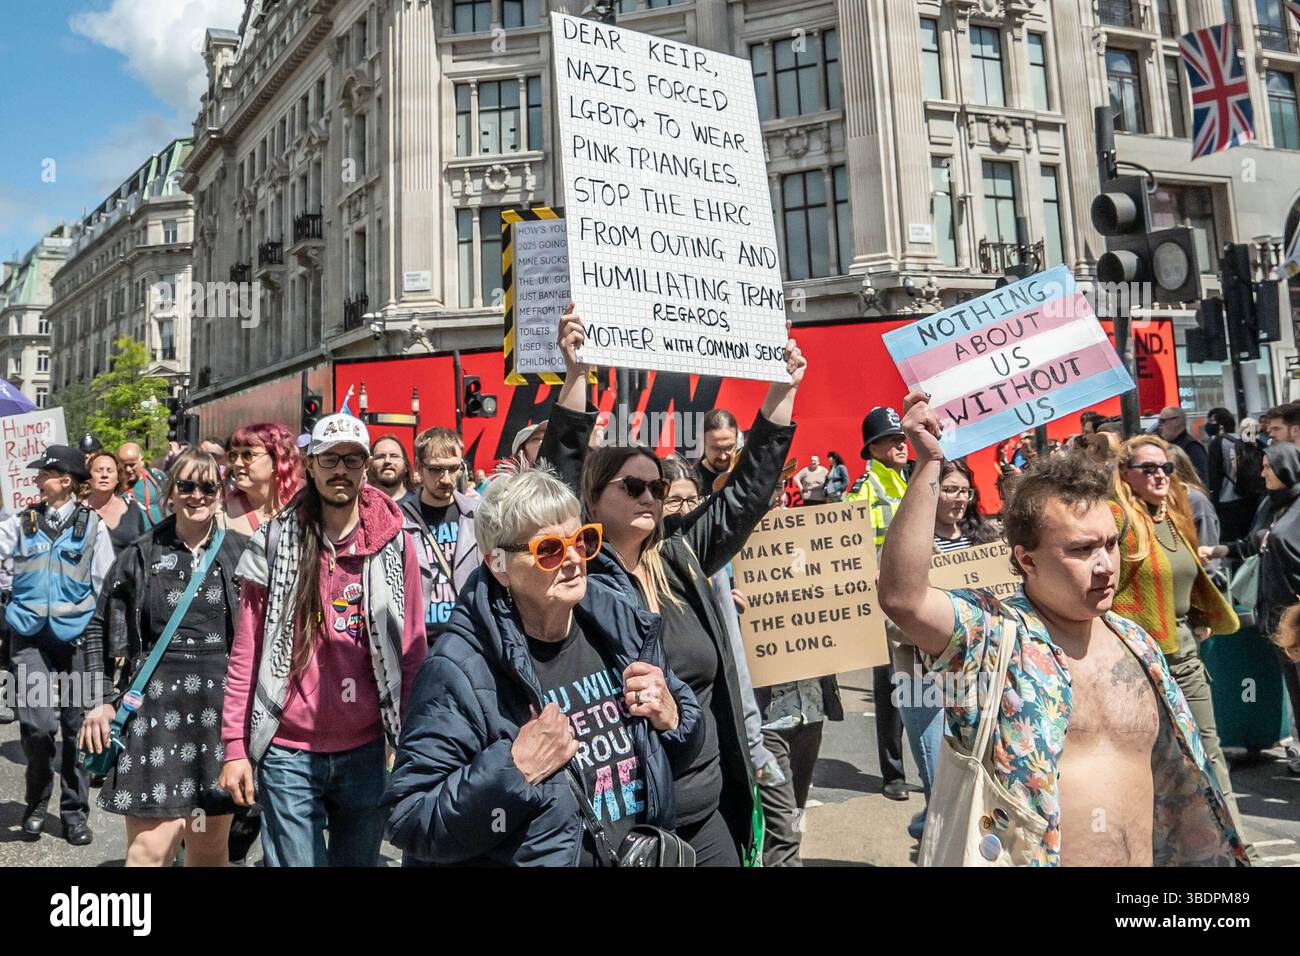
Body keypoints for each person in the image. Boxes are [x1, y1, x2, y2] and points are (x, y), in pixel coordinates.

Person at [880, 390, 1246, 866]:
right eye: (1080, 550)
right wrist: (928, 463)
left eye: (1110, 545)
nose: (1104, 566)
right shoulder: (993, 633)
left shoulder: (1137, 644)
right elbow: (902, 599)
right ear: (1026, 559)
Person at [539, 308, 802, 866]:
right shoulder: (573, 571)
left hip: (706, 811)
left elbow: (747, 494)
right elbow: (551, 483)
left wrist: (782, 391)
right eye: (631, 485)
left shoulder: (679, 554)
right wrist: (579, 376)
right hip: (621, 821)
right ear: (590, 500)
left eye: (657, 487)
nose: (649, 498)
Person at [384, 467, 703, 865]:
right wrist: (513, 771)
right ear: (498, 564)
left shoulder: (619, 628)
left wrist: (672, 718)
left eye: (583, 541)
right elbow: (411, 821)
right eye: (549, 548)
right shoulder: (459, 669)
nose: (572, 559)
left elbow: (684, 745)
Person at [219, 413, 426, 867]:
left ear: (366, 467)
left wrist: (412, 741)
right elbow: (247, 650)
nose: (341, 469)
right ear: (310, 465)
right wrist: (235, 747)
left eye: (353, 459)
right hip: (287, 749)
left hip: (367, 750)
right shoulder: (274, 541)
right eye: (330, 458)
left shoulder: (396, 544)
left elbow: (412, 651)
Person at [78, 450, 249, 866]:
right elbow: (97, 625)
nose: (197, 495)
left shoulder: (241, 552)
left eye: (207, 487)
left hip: (218, 717)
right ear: (171, 492)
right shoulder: (141, 553)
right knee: (148, 853)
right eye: (187, 486)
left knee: (209, 854)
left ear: (220, 494)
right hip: (152, 714)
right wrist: (99, 700)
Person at [1109, 436, 1247, 846]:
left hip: (1185, 651)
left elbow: (1186, 576)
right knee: (1151, 756)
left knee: (1208, 747)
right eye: (1148, 468)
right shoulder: (1116, 519)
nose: (1159, 475)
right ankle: (1158, 844)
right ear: (1125, 475)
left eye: (1165, 467)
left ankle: (1233, 840)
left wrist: (1201, 614)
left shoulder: (1174, 514)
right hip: (1137, 658)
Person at [2, 445, 115, 845]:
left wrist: (109, 640)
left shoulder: (93, 527)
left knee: (75, 727)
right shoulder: (20, 522)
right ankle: (35, 803)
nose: (36, 479)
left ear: (66, 481)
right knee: (37, 725)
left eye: (44, 473)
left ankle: (74, 813)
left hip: (76, 640)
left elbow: (104, 586)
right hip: (29, 636)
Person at [659, 456, 777, 786]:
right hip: (684, 741)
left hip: (732, 722)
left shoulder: (709, 561)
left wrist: (752, 742)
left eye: (691, 499)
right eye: (673, 500)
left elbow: (735, 662)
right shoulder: (649, 565)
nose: (684, 510)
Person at [1202, 442, 1300, 779]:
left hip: (1297, 617)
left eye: (1268, 467)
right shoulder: (1272, 506)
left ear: (1286, 468)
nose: (1262, 473)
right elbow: (1252, 544)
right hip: (1276, 618)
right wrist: (1215, 550)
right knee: (1295, 691)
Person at [846, 406, 911, 802]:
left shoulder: (919, 478)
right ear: (873, 448)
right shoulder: (862, 488)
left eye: (902, 437)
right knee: (891, 686)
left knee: (936, 685)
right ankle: (894, 772)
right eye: (892, 439)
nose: (901, 444)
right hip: (885, 603)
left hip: (927, 594)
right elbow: (850, 545)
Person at [400, 426, 481, 645]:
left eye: (454, 468)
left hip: (469, 636)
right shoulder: (400, 520)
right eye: (436, 469)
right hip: (419, 642)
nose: (446, 479)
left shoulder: (478, 515)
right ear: (419, 468)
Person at [223, 423, 303, 537]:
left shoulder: (304, 502)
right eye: (233, 455)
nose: (237, 463)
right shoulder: (224, 511)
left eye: (248, 455)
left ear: (276, 461)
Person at [1204, 407, 1262, 544]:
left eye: (1211, 421)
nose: (1207, 424)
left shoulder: (1218, 442)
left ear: (1220, 425)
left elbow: (1214, 476)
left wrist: (1213, 500)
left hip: (1227, 501)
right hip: (1250, 497)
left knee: (1229, 543)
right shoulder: (1244, 439)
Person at [85, 451, 147, 554]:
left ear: (118, 477)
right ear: (89, 476)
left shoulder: (132, 508)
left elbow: (143, 548)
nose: (104, 475)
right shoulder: (78, 511)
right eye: (99, 470)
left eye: (110, 471)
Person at [1155, 407, 1210, 486]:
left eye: (1163, 421)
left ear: (1176, 421)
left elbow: (1202, 480)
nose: (1160, 425)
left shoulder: (1192, 447)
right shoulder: (1167, 444)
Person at [118, 442, 167, 529]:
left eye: (132, 465)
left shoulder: (156, 477)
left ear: (141, 461)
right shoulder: (117, 486)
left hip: (161, 535)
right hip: (134, 538)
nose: (128, 469)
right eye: (124, 466)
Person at [696, 408, 740, 492]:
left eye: (729, 447)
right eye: (716, 449)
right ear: (702, 443)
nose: (723, 457)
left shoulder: (746, 477)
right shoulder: (691, 483)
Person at [367, 434, 416, 506]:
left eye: (394, 456)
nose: (387, 461)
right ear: (369, 464)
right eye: (380, 457)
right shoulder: (359, 506)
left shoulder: (420, 506)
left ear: (406, 465)